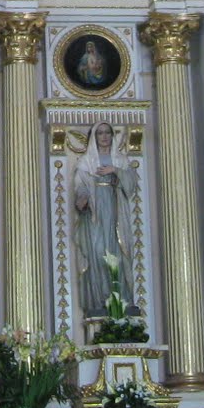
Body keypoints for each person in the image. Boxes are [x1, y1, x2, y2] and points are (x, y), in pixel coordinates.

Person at [73, 121, 134, 318]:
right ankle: (100, 299)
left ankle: (120, 300)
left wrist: (115, 171)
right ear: (95, 137)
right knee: (98, 253)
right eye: (100, 133)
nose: (104, 136)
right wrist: (83, 198)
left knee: (116, 252)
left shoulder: (120, 160)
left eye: (107, 133)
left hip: (115, 211)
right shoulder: (86, 161)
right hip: (95, 214)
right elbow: (80, 186)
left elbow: (131, 185)